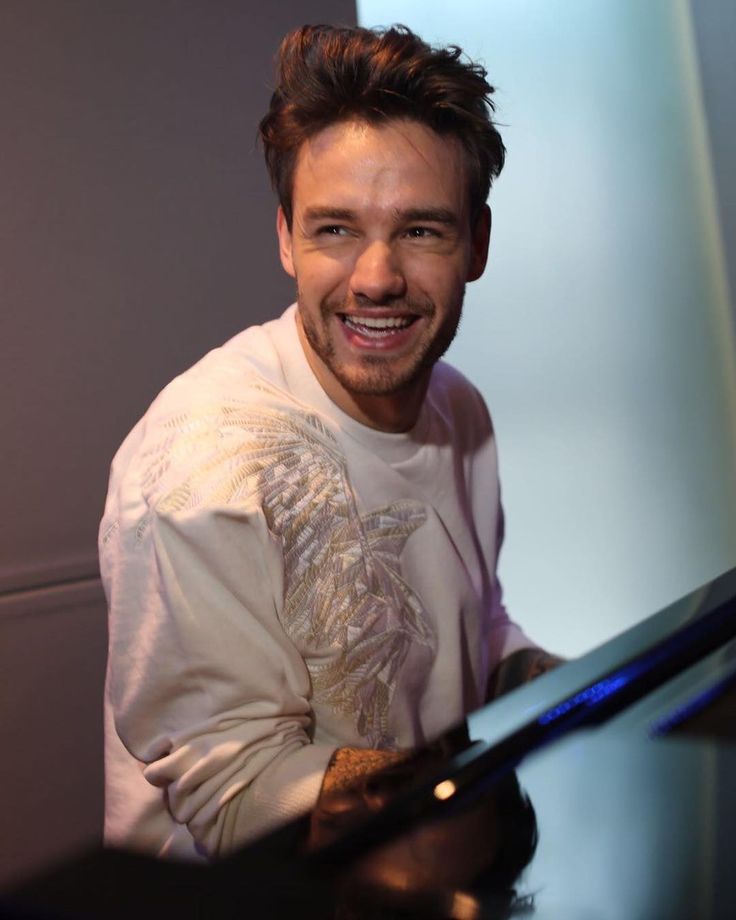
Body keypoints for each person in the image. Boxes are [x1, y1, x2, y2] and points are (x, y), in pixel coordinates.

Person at [99, 23, 562, 863]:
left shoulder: (459, 407)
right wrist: (477, 807)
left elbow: (472, 635)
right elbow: (235, 792)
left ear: (478, 244)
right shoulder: (201, 465)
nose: (377, 277)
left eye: (421, 230)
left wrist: (606, 697)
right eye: (335, 230)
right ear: (285, 238)